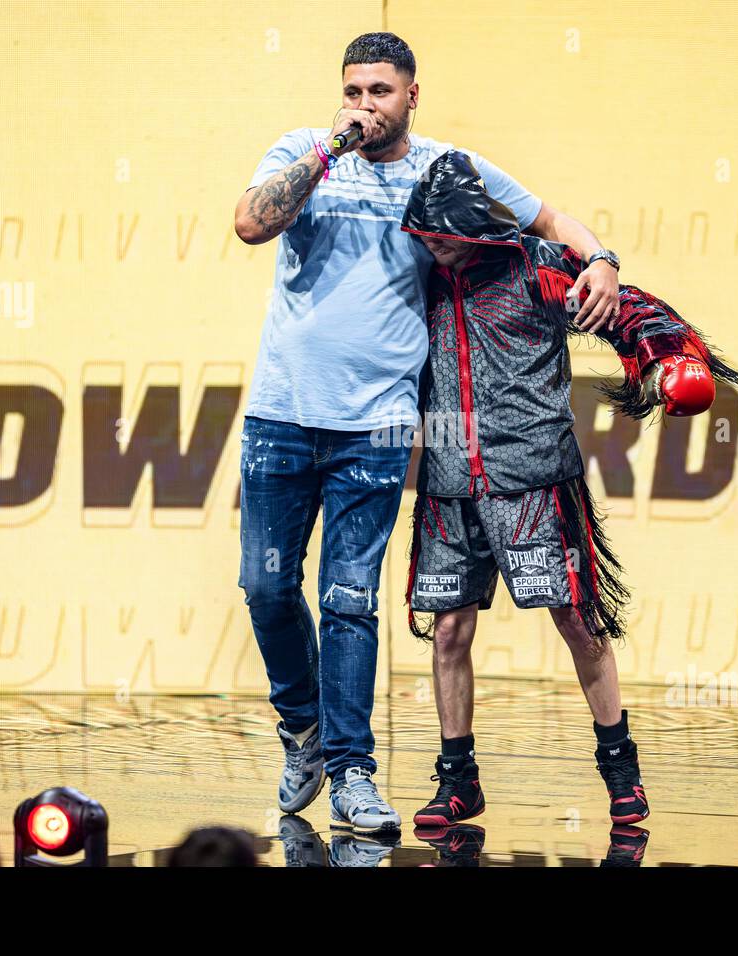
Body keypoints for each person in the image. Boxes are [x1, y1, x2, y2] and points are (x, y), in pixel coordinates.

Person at [233, 33, 627, 835]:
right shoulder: (305, 150)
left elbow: (554, 219)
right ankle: (302, 730)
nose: (364, 105)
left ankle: (350, 775)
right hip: (282, 413)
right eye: (353, 91)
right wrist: (330, 152)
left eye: (380, 92)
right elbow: (249, 223)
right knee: (267, 589)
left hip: (374, 427)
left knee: (348, 600)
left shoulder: (448, 168)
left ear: (412, 95)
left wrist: (605, 261)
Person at [399, 150, 738, 828]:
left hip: (535, 479)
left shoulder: (536, 267)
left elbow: (629, 311)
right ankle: (457, 781)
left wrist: (669, 358)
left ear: (473, 229)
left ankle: (623, 775)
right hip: (448, 484)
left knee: (580, 625)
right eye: (424, 236)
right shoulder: (423, 279)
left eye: (443, 236)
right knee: (448, 633)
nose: (432, 247)